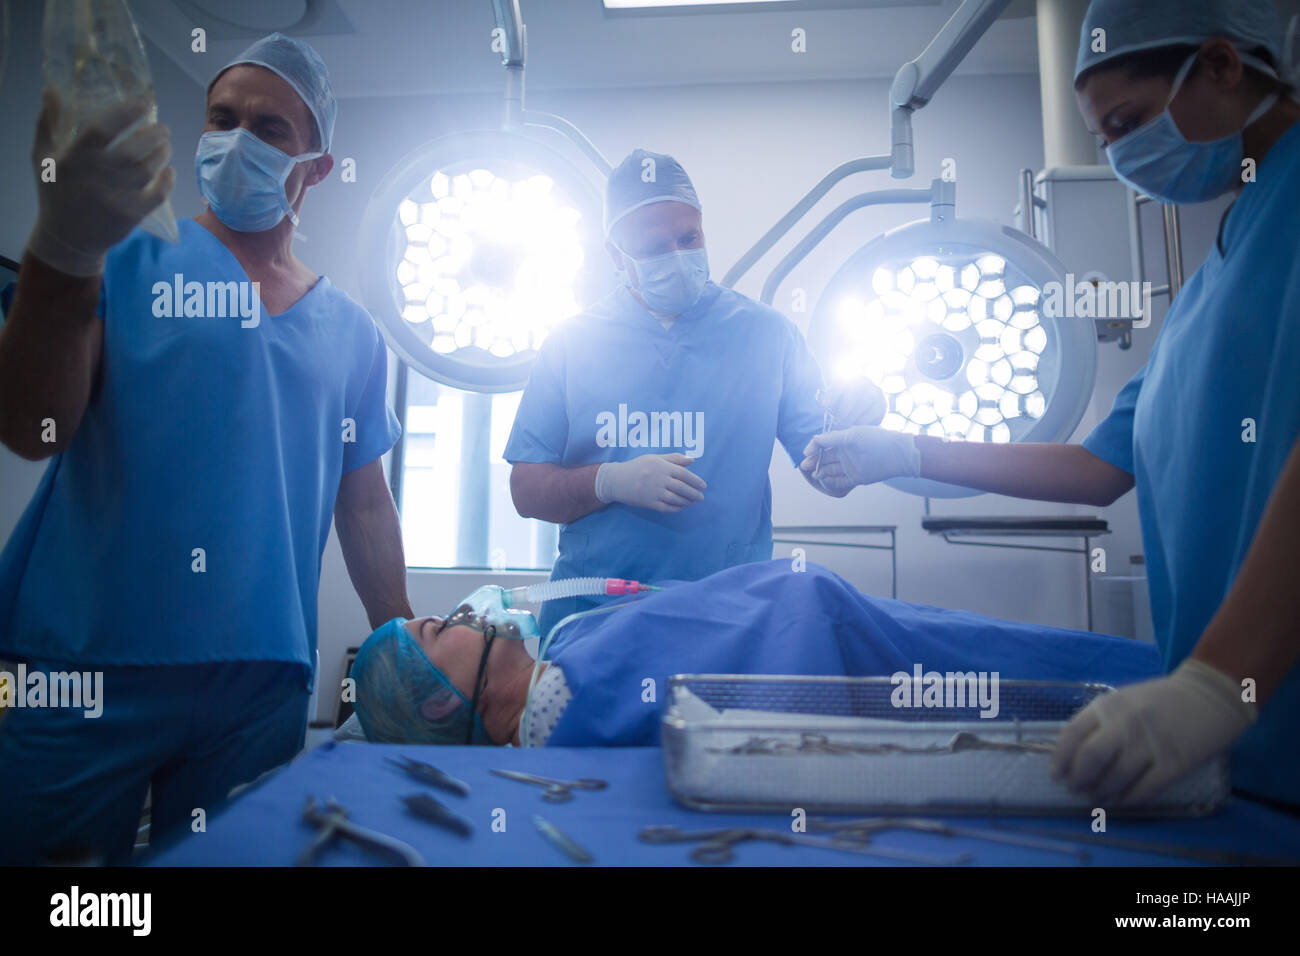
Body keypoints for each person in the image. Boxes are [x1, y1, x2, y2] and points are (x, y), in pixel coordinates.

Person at [802, 0, 1300, 809]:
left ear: (1220, 65)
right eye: (1104, 139)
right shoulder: (1212, 281)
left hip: (1244, 701)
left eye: (1130, 120)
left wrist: (1219, 682)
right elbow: (1101, 466)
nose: (1121, 156)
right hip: (1249, 763)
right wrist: (906, 452)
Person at [0, 34, 412, 864]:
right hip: (83, 663)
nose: (235, 142)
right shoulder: (122, 254)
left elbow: (363, 502)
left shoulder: (355, 334)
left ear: (319, 166)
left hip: (258, 679)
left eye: (271, 129)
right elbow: (32, 426)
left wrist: (399, 646)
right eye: (221, 120)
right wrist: (64, 250)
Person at [505, 148, 884, 634]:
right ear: (616, 254)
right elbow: (527, 491)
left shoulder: (769, 335)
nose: (678, 257)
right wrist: (608, 481)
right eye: (654, 247)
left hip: (727, 618)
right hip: (592, 620)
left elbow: (830, 475)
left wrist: (856, 430)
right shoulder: (571, 344)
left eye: (689, 238)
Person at [348, 560, 1163, 750]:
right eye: (435, 630)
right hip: (858, 659)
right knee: (1034, 683)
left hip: (856, 625)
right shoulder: (568, 715)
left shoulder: (564, 650)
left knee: (1021, 657)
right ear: (439, 700)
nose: (462, 615)